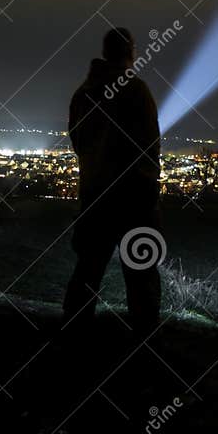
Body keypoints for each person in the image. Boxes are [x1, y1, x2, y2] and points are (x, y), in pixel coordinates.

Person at [63, 27, 162, 335]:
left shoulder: (82, 94)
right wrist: (148, 187)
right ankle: (144, 344)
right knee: (141, 273)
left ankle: (73, 337)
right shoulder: (136, 90)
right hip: (132, 196)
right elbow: (149, 145)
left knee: (88, 269)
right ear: (130, 52)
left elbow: (79, 143)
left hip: (94, 193)